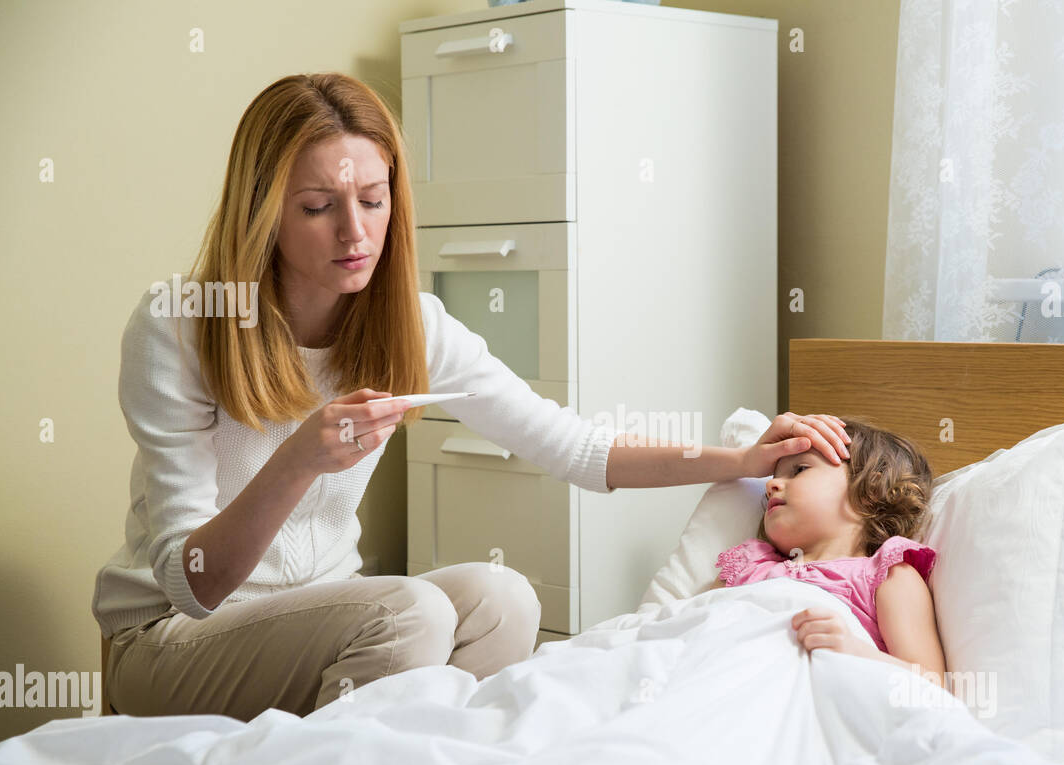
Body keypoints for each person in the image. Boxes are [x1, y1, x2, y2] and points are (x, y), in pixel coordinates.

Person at [92, 72, 851, 721]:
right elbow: (192, 585)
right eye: (319, 206)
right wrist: (297, 461)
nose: (356, 232)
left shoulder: (408, 325)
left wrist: (744, 456)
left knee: (506, 598)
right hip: (172, 640)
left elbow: (578, 448)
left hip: (319, 612)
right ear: (265, 212)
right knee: (413, 612)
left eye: (375, 199)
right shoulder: (181, 325)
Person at [709, 418, 946, 685]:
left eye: (799, 470)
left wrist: (853, 650)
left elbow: (929, 684)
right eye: (775, 478)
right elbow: (695, 624)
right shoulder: (749, 565)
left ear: (870, 489)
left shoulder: (887, 575)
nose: (770, 486)